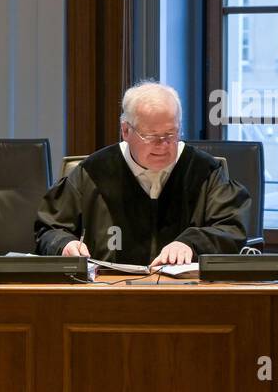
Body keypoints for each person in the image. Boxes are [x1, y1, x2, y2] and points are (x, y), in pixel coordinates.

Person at [35, 81, 250, 267]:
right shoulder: (93, 173)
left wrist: (191, 243)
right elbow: (50, 229)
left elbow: (231, 229)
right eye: (152, 136)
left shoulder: (205, 172)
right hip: (107, 296)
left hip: (187, 296)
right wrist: (64, 245)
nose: (164, 145)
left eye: (171, 134)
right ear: (126, 131)